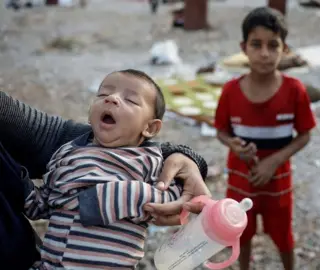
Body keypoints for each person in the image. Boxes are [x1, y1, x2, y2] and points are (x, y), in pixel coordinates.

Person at [0, 82, 209, 268]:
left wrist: (114, 196)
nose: (111, 98)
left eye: (130, 99)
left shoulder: (149, 161)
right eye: (102, 95)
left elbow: (168, 195)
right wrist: (17, 181)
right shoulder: (66, 155)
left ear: (150, 127)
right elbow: (42, 204)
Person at [214, 7, 316, 270]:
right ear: (243, 47)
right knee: (240, 233)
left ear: (285, 49)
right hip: (240, 179)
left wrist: (274, 161)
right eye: (256, 44)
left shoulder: (295, 90)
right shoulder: (230, 91)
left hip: (278, 183)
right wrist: (233, 144)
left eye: (273, 45)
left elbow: (304, 135)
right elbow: (221, 131)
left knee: (283, 236)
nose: (264, 53)